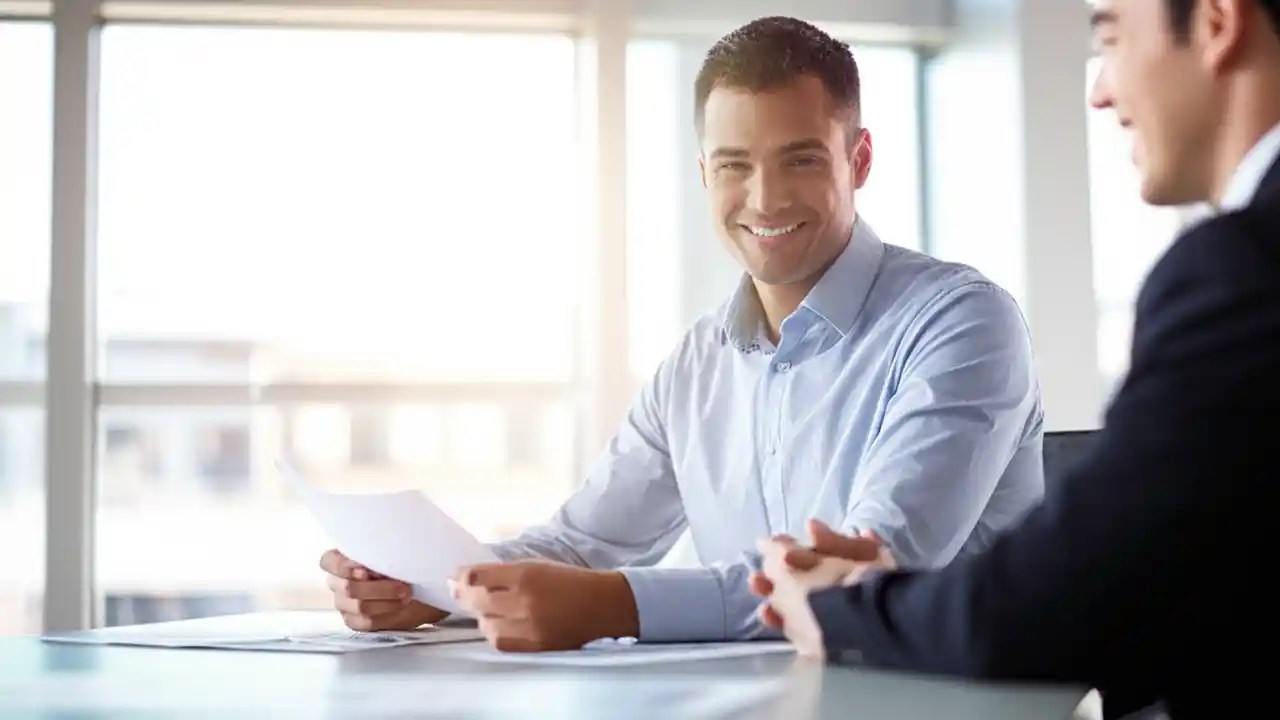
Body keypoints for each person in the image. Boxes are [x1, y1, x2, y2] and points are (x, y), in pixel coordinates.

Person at [320, 16, 1044, 652]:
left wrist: (614, 606)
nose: (765, 199)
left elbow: (864, 574)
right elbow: (582, 543)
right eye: (735, 166)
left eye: (801, 159)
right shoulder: (698, 364)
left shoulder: (962, 323)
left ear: (858, 161)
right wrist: (433, 589)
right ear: (705, 173)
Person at [752, 1, 1280, 716]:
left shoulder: (1242, 269)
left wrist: (840, 608)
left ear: (1217, 24)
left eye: (1113, 36)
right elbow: (1195, 586)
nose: (1099, 89)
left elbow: (1056, 606)